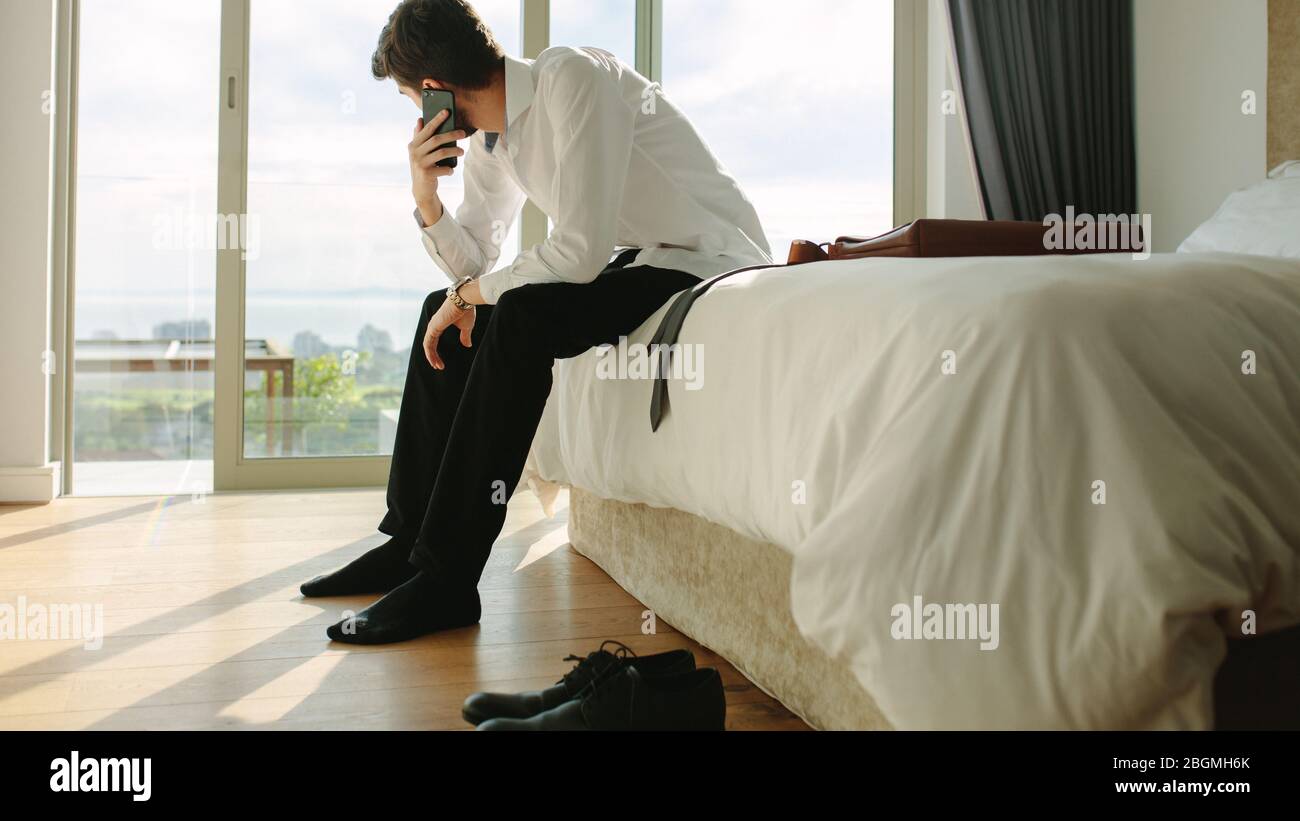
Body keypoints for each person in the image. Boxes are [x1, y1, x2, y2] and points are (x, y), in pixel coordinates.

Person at [300, 0, 771, 644]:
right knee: (442, 313)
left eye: (414, 96)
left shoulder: (572, 77)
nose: (418, 114)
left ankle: (447, 581)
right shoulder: (496, 141)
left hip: (705, 260)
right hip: (635, 264)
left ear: (438, 84)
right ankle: (407, 544)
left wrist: (469, 295)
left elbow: (577, 254)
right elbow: (474, 260)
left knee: (514, 314)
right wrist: (425, 197)